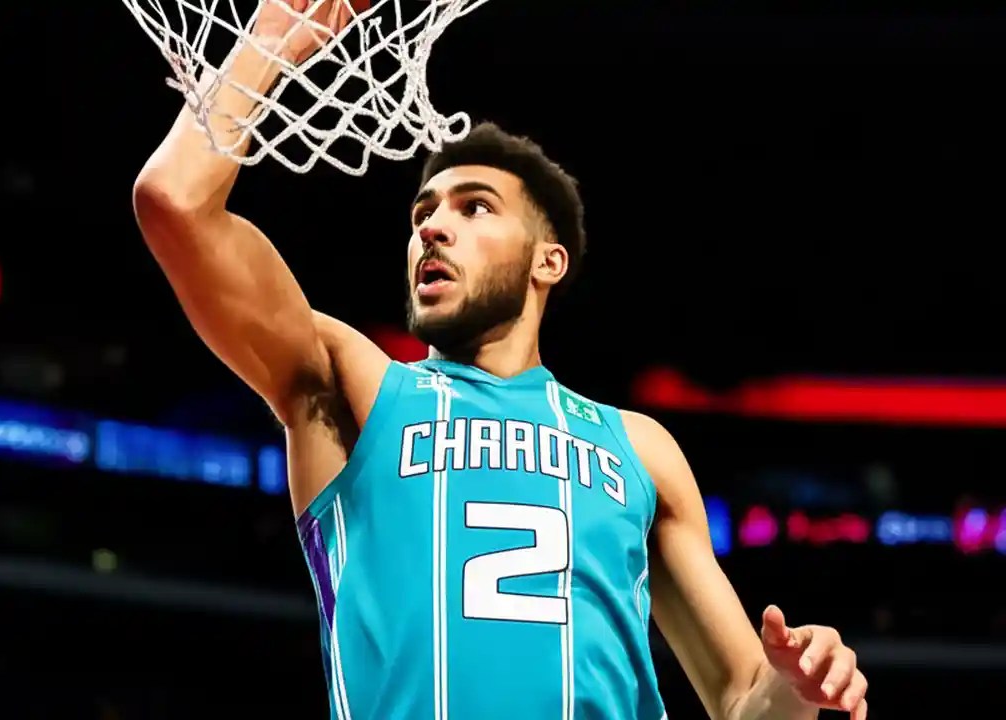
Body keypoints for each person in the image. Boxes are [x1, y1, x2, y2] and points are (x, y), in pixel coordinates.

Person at [130, 2, 869, 718]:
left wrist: (795, 689)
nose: (434, 229)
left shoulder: (639, 447)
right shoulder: (352, 386)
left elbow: (743, 699)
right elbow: (174, 201)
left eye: (473, 207)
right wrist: (273, 40)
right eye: (423, 215)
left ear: (549, 261)